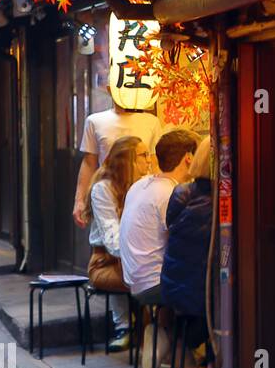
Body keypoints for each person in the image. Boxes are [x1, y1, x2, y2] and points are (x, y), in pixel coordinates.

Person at [83, 135, 152, 351]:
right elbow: (112, 241)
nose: (149, 161)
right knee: (150, 280)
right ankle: (140, 332)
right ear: (127, 161)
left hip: (131, 260)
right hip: (104, 263)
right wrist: (143, 253)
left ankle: (153, 335)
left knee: (158, 277)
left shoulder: (142, 185)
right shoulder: (103, 189)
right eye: (143, 155)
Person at [120, 128, 198, 310]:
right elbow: (184, 245)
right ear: (188, 158)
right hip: (155, 284)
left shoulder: (139, 185)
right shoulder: (170, 193)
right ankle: (174, 337)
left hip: (134, 281)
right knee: (219, 291)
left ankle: (164, 331)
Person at [161, 137, 213, 368]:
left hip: (174, 288)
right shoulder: (222, 200)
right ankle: (215, 365)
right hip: (204, 297)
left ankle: (173, 342)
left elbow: (169, 226)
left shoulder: (181, 193)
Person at [72, 95, 162, 228]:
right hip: (109, 194)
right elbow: (89, 163)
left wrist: (159, 197)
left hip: (141, 196)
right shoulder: (94, 121)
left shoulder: (151, 121)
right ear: (109, 89)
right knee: (107, 237)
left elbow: (154, 162)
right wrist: (79, 200)